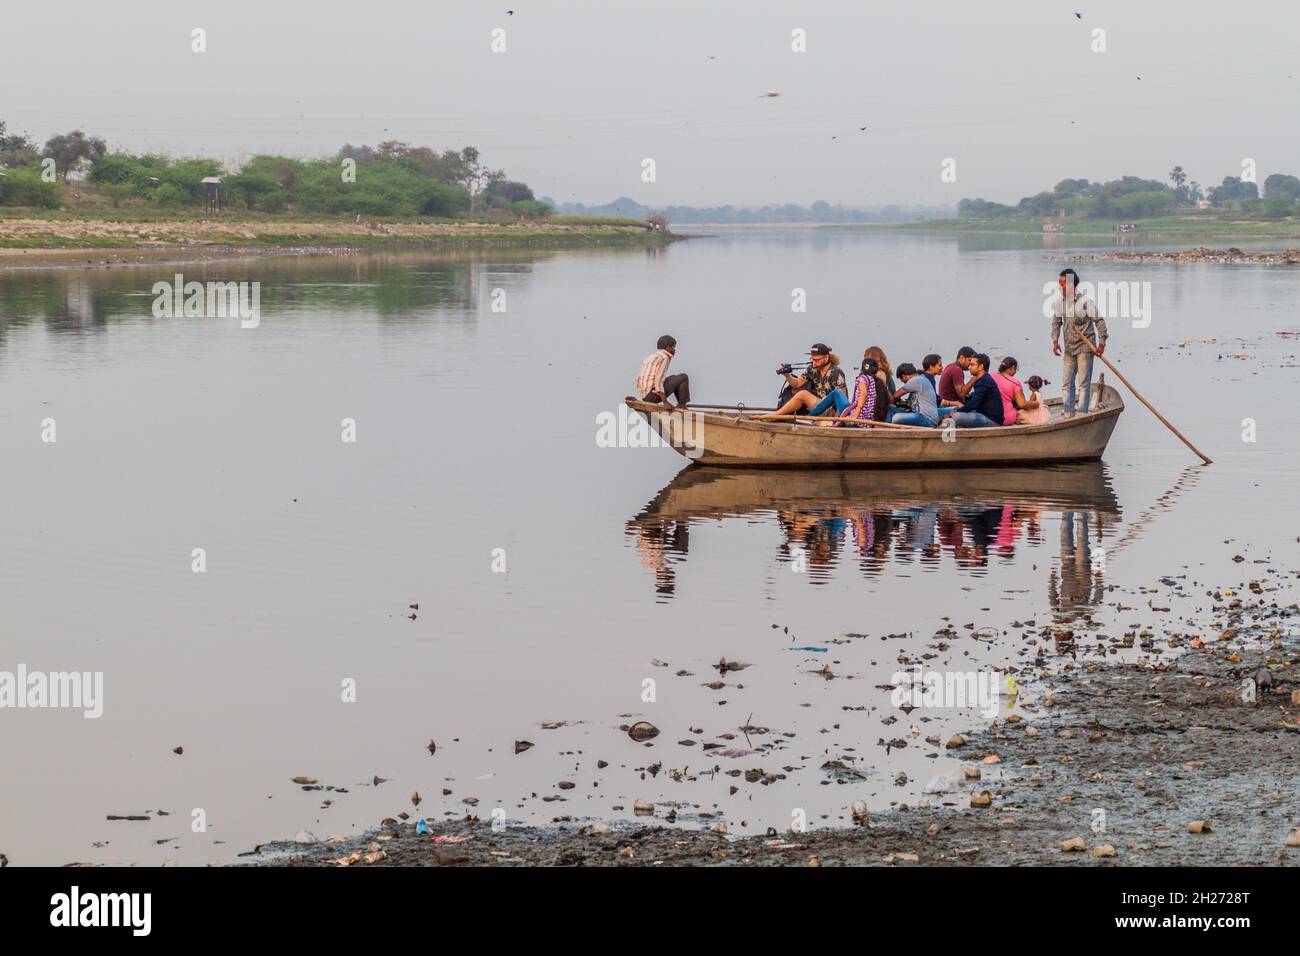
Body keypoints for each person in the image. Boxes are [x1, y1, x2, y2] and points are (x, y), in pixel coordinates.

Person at [1050, 268, 1108, 416]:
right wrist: (1055, 341)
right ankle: (1068, 413)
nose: (1060, 287)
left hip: (1085, 347)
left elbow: (1099, 321)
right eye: (1059, 284)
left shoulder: (1085, 302)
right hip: (1069, 349)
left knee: (1083, 384)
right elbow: (1056, 323)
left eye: (1062, 284)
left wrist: (1101, 342)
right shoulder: (1059, 303)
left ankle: (1081, 414)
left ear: (1071, 285)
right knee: (1066, 383)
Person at [763, 344, 847, 418]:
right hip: (818, 408)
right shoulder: (812, 369)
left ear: (826, 358)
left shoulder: (836, 372)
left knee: (803, 394)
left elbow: (843, 398)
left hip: (832, 412)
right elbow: (797, 383)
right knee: (801, 393)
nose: (814, 363)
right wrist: (787, 375)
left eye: (817, 360)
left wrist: (836, 421)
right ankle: (779, 415)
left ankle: (776, 415)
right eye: (812, 359)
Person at [950, 353, 1004, 428]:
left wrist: (957, 411)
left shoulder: (984, 381)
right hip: (984, 414)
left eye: (972, 365)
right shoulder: (983, 379)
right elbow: (974, 401)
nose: (969, 367)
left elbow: (973, 404)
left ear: (981, 367)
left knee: (957, 416)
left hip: (992, 420)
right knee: (956, 411)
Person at [636, 334, 689, 409]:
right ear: (667, 347)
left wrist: (644, 396)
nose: (674, 350)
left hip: (645, 396)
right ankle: (682, 405)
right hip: (652, 396)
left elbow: (638, 378)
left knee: (674, 377)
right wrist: (665, 402)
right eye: (673, 347)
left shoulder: (651, 357)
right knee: (683, 377)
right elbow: (658, 381)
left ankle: (681, 403)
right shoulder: (664, 358)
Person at [837, 356, 889, 424]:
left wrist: (854, 417)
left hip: (858, 420)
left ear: (862, 370)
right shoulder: (874, 381)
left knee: (836, 393)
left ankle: (818, 412)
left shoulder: (862, 379)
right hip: (868, 420)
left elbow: (863, 395)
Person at [991, 356, 1040, 426]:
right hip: (1005, 418)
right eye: (1016, 369)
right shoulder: (1015, 383)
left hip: (989, 415)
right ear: (1013, 368)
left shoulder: (991, 375)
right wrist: (1036, 404)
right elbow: (1022, 404)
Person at [891, 361, 940, 427]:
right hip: (924, 416)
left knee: (896, 418)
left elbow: (896, 395)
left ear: (904, 376)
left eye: (903, 381)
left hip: (926, 418)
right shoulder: (922, 378)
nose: (905, 383)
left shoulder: (916, 380)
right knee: (892, 408)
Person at [938, 346, 976, 412]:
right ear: (961, 358)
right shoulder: (957, 370)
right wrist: (973, 379)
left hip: (946, 405)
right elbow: (961, 393)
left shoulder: (951, 366)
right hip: (951, 408)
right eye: (969, 360)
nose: (970, 364)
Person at [921, 354, 957, 420]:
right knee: (957, 409)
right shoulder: (928, 379)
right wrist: (956, 403)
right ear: (931, 367)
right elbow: (936, 401)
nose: (942, 367)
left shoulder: (925, 377)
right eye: (939, 365)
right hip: (927, 414)